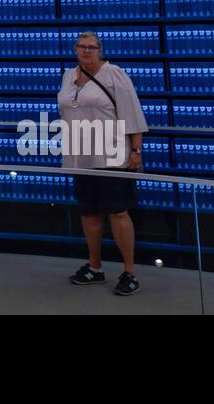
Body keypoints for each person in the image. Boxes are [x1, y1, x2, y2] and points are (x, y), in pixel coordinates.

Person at [60, 32, 148, 296]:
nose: (87, 51)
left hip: (111, 154)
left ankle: (130, 272)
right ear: (75, 49)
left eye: (92, 47)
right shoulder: (68, 75)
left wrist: (135, 150)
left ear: (100, 50)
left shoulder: (114, 74)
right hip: (79, 155)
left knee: (118, 212)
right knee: (88, 212)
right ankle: (95, 267)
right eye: (82, 46)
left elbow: (132, 112)